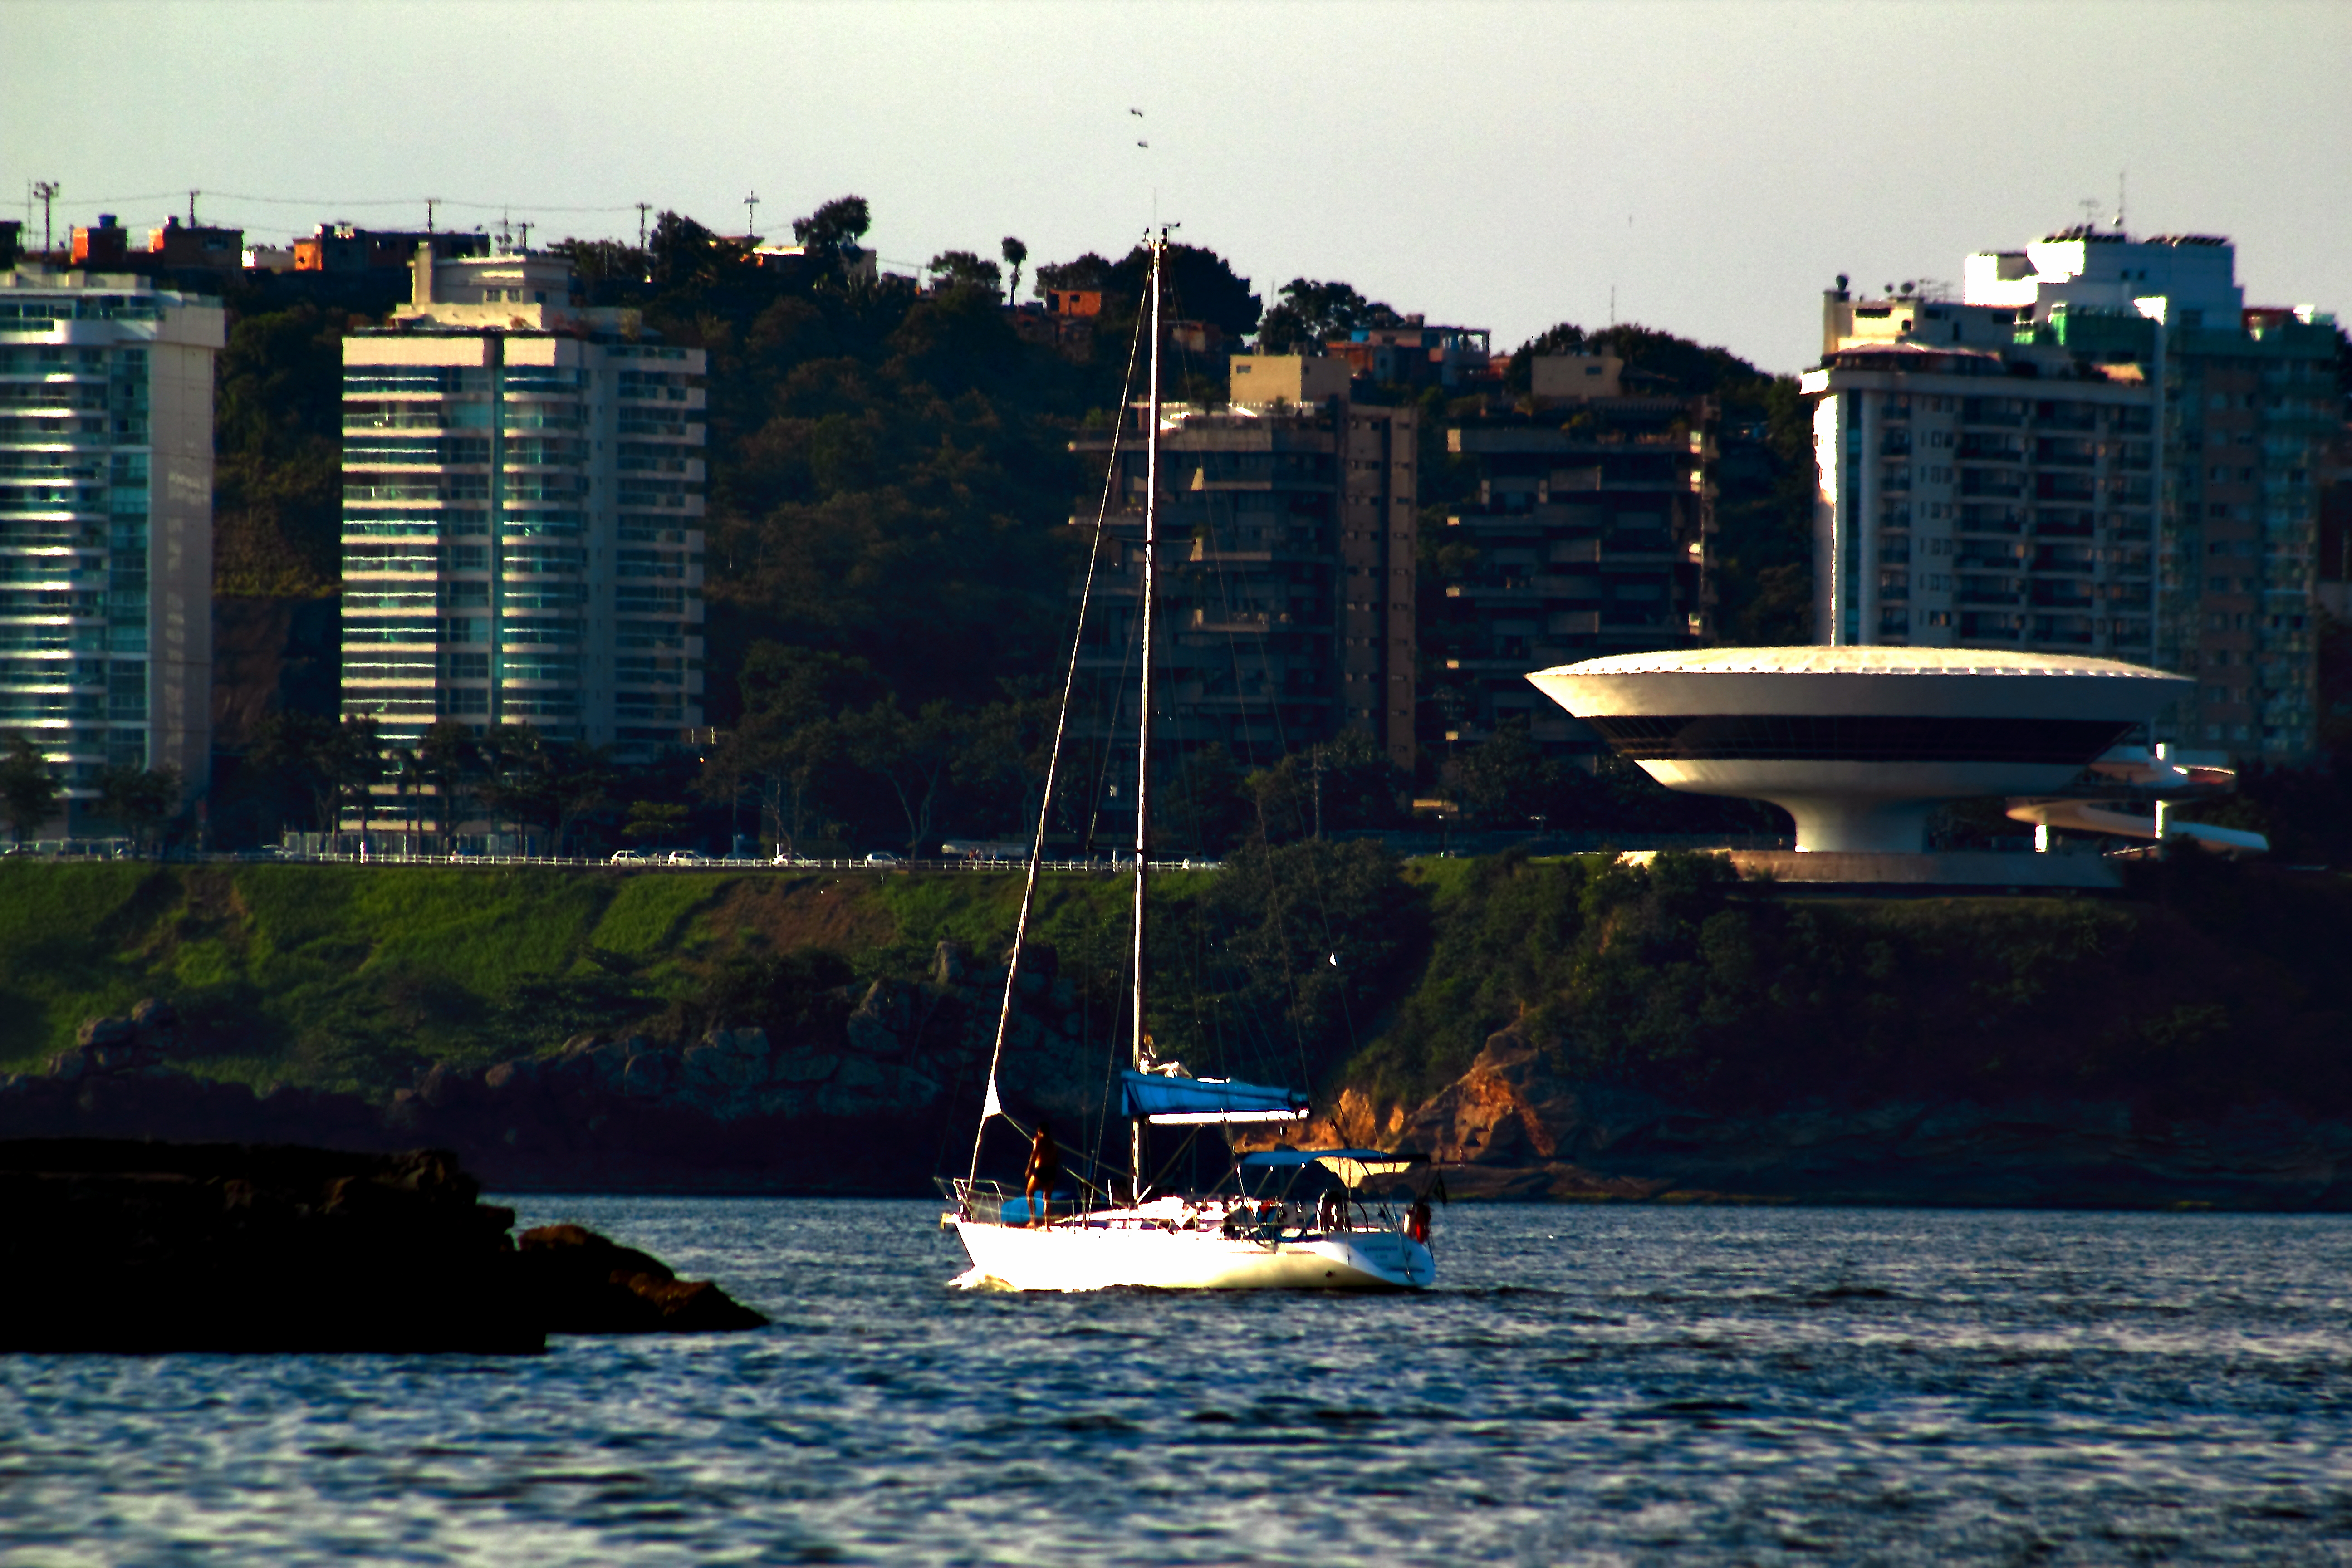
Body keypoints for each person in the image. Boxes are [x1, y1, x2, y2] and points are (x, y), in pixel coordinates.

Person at [1023, 1121, 1059, 1227]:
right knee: (1047, 1198)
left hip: (1040, 1170)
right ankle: (1047, 1223)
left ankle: (1033, 1220)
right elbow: (1056, 1159)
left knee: (1029, 1192)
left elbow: (1034, 1153)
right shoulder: (1053, 1143)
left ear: (1039, 1131)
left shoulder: (1038, 1140)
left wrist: (1029, 1169)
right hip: (1051, 1171)